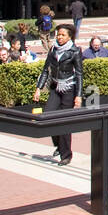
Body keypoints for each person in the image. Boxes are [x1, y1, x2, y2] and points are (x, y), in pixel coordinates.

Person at [33, 24, 83, 165]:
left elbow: (79, 74)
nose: (59, 37)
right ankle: (58, 145)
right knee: (48, 116)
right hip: (55, 87)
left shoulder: (75, 51)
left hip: (68, 88)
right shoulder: (53, 49)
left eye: (63, 35)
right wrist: (38, 88)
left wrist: (78, 95)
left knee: (64, 121)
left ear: (69, 37)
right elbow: (45, 70)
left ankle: (66, 154)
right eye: (58, 35)